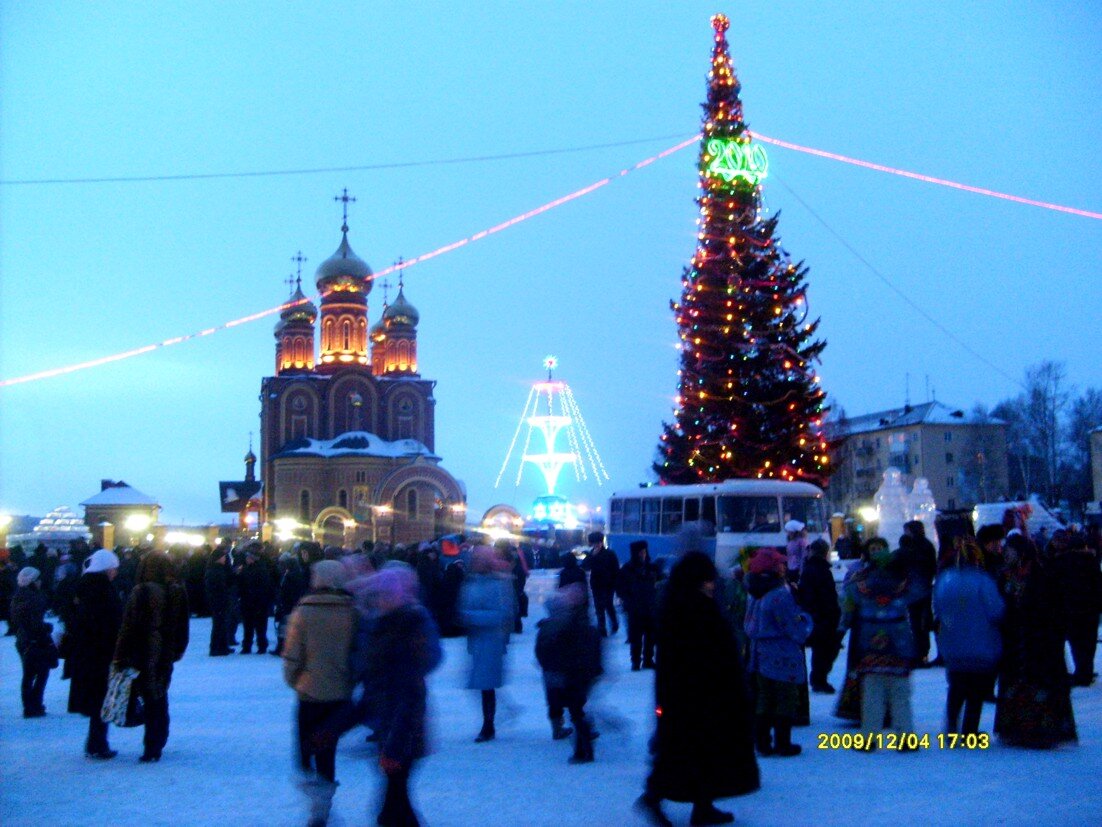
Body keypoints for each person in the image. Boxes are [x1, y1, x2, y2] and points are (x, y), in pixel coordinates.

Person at [637, 552, 759, 827]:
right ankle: (654, 797)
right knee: (686, 751)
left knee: (701, 751)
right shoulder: (692, 608)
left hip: (695, 694)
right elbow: (704, 654)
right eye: (707, 579)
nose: (712, 584)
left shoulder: (682, 604)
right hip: (697, 695)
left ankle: (703, 805)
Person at [361, 565, 442, 827]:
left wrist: (394, 747)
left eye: (383, 594)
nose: (378, 600)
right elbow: (374, 688)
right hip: (393, 729)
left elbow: (408, 696)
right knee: (394, 805)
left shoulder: (405, 628)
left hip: (402, 733)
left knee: (394, 807)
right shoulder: (385, 625)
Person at [283, 560, 358, 827]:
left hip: (309, 693)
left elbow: (292, 655)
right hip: (340, 693)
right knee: (327, 751)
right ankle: (323, 804)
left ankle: (318, 804)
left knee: (304, 753)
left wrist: (295, 680)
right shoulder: (352, 611)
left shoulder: (304, 611)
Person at [994, 534, 1077, 748]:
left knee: (1040, 684)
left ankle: (1043, 728)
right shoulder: (1004, 578)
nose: (1006, 555)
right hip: (1014, 641)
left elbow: (1055, 608)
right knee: (1016, 683)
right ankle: (1016, 729)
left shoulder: (1042, 575)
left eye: (1010, 551)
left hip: (1041, 642)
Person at [840, 537, 920, 747]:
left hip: (870, 644)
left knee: (872, 694)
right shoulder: (904, 584)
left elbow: (847, 605)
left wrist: (844, 624)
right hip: (899, 644)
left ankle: (869, 737)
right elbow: (921, 591)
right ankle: (905, 737)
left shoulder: (860, 585)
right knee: (900, 694)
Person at [113, 551, 190, 762]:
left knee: (147, 696)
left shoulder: (142, 591)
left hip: (142, 650)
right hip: (166, 651)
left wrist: (120, 655)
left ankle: (151, 746)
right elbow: (183, 625)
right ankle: (157, 740)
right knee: (159, 695)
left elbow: (128, 627)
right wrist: (178, 649)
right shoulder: (177, 590)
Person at [932, 537, 1004, 734]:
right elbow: (996, 610)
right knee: (976, 690)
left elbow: (937, 607)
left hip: (952, 643)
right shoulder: (984, 581)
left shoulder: (945, 579)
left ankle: (952, 727)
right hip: (981, 643)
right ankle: (970, 731)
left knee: (956, 687)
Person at [745, 548, 813, 757]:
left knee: (765, 697)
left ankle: (763, 741)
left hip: (760, 652)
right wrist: (805, 624)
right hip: (783, 653)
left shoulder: (755, 592)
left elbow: (748, 624)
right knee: (785, 697)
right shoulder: (778, 595)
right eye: (780, 564)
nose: (784, 567)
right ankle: (783, 743)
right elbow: (792, 625)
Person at [536, 582, 603, 763]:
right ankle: (583, 746)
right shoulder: (580, 622)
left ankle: (583, 750)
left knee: (575, 711)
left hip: (571, 672)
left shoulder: (568, 624)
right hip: (576, 672)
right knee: (576, 710)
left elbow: (550, 650)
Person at [67, 548, 124, 759]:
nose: (115, 572)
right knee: (102, 699)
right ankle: (97, 743)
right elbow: (107, 622)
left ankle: (96, 742)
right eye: (113, 568)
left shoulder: (87, 586)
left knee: (98, 700)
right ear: (106, 568)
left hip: (88, 652)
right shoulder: (101, 590)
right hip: (101, 652)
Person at [459, 545, 514, 742]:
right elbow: (463, 606)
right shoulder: (472, 582)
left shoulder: (498, 584)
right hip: (477, 642)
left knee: (486, 685)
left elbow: (503, 614)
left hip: (491, 642)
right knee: (482, 685)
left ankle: (488, 725)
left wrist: (471, 617)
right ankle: (491, 721)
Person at [1048, 530, 1102, 687]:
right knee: (1089, 642)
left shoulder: (1061, 562)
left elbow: (1055, 587)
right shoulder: (1091, 562)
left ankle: (1081, 671)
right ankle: (1086, 670)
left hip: (1070, 609)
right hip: (1090, 609)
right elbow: (1098, 585)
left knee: (1076, 643)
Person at [11, 566, 58, 717]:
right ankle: (34, 705)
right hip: (33, 640)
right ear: (31, 581)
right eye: (37, 579)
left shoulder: (20, 595)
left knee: (29, 674)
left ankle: (30, 705)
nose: (40, 582)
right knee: (40, 673)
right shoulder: (32, 598)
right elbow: (33, 623)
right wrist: (46, 628)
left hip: (23, 639)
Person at [798, 538, 842, 693]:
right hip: (823, 616)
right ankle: (819, 679)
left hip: (814, 615)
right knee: (825, 650)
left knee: (821, 650)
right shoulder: (821, 570)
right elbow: (827, 596)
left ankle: (818, 679)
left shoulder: (809, 568)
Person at [616, 540, 660, 670]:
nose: (643, 555)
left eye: (644, 552)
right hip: (635, 608)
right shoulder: (627, 569)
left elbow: (659, 584)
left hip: (650, 607)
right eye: (641, 552)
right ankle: (635, 661)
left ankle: (648, 659)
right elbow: (620, 588)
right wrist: (628, 600)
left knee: (650, 636)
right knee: (636, 637)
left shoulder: (651, 568)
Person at [899, 520, 938, 666]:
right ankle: (920, 653)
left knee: (918, 623)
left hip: (917, 589)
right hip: (921, 588)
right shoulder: (925, 545)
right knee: (919, 623)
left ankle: (920, 653)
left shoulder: (916, 547)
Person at [238, 545, 274, 654]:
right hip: (250, 601)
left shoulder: (260, 570)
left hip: (257, 602)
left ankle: (258, 645)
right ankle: (250, 645)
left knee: (257, 626)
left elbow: (264, 586)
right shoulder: (248, 569)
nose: (246, 559)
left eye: (248, 557)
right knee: (252, 625)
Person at [582, 531, 620, 637]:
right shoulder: (591, 554)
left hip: (608, 584)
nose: (597, 545)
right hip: (597, 584)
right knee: (599, 607)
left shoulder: (610, 554)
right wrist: (591, 556)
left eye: (598, 542)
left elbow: (616, 569)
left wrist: (616, 583)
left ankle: (614, 623)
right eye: (595, 543)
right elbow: (585, 566)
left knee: (608, 604)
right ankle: (602, 628)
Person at [205, 547, 233, 655]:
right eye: (223, 557)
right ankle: (215, 647)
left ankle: (222, 646)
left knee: (222, 624)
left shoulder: (219, 569)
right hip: (218, 600)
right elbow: (217, 587)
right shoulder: (214, 571)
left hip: (221, 600)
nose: (225, 559)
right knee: (218, 624)